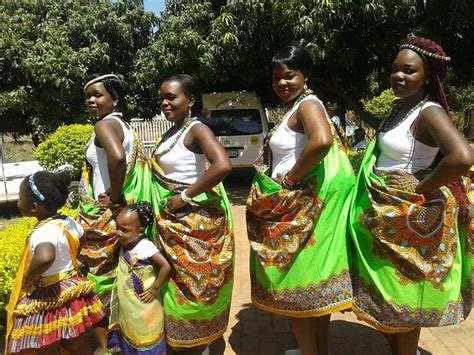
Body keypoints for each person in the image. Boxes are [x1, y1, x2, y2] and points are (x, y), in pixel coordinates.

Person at [349, 37, 474, 355]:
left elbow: (461, 156)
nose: (398, 76)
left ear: (428, 76)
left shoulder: (429, 112)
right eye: (395, 70)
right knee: (391, 295)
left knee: (402, 296)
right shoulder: (403, 108)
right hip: (385, 214)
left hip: (407, 217)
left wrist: (420, 186)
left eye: (409, 70)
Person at [246, 46, 355, 355]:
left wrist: (291, 180)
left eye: (289, 75)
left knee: (293, 285)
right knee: (311, 285)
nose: (282, 83)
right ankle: (317, 350)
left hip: (300, 208)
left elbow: (321, 141)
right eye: (276, 77)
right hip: (303, 207)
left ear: (305, 76)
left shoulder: (308, 105)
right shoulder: (300, 106)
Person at [150, 74, 234, 352]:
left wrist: (185, 196)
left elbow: (222, 165)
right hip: (171, 225)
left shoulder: (197, 130)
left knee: (196, 289)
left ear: (190, 100)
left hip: (192, 225)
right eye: (162, 97)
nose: (164, 102)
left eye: (171, 97)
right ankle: (189, 340)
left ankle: (199, 340)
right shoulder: (171, 132)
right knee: (176, 285)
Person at [78, 73, 152, 349]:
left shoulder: (105, 125)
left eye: (98, 95)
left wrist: (114, 197)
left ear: (115, 99)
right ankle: (130, 339)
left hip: (105, 217)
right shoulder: (123, 125)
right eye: (88, 97)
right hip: (121, 216)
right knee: (122, 277)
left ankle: (110, 347)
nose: (91, 101)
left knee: (99, 284)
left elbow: (117, 158)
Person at [6, 171, 105, 354]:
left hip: (49, 294)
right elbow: (81, 238)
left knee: (47, 341)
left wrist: (28, 279)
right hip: (71, 286)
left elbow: (45, 257)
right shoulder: (67, 222)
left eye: (20, 198)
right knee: (73, 336)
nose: (17, 202)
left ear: (35, 207)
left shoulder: (43, 232)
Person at [107, 201, 171, 354]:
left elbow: (165, 267)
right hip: (130, 311)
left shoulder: (145, 247)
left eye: (124, 230)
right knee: (131, 339)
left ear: (140, 231)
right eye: (117, 228)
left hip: (145, 310)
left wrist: (154, 289)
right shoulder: (124, 245)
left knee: (147, 343)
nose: (118, 232)